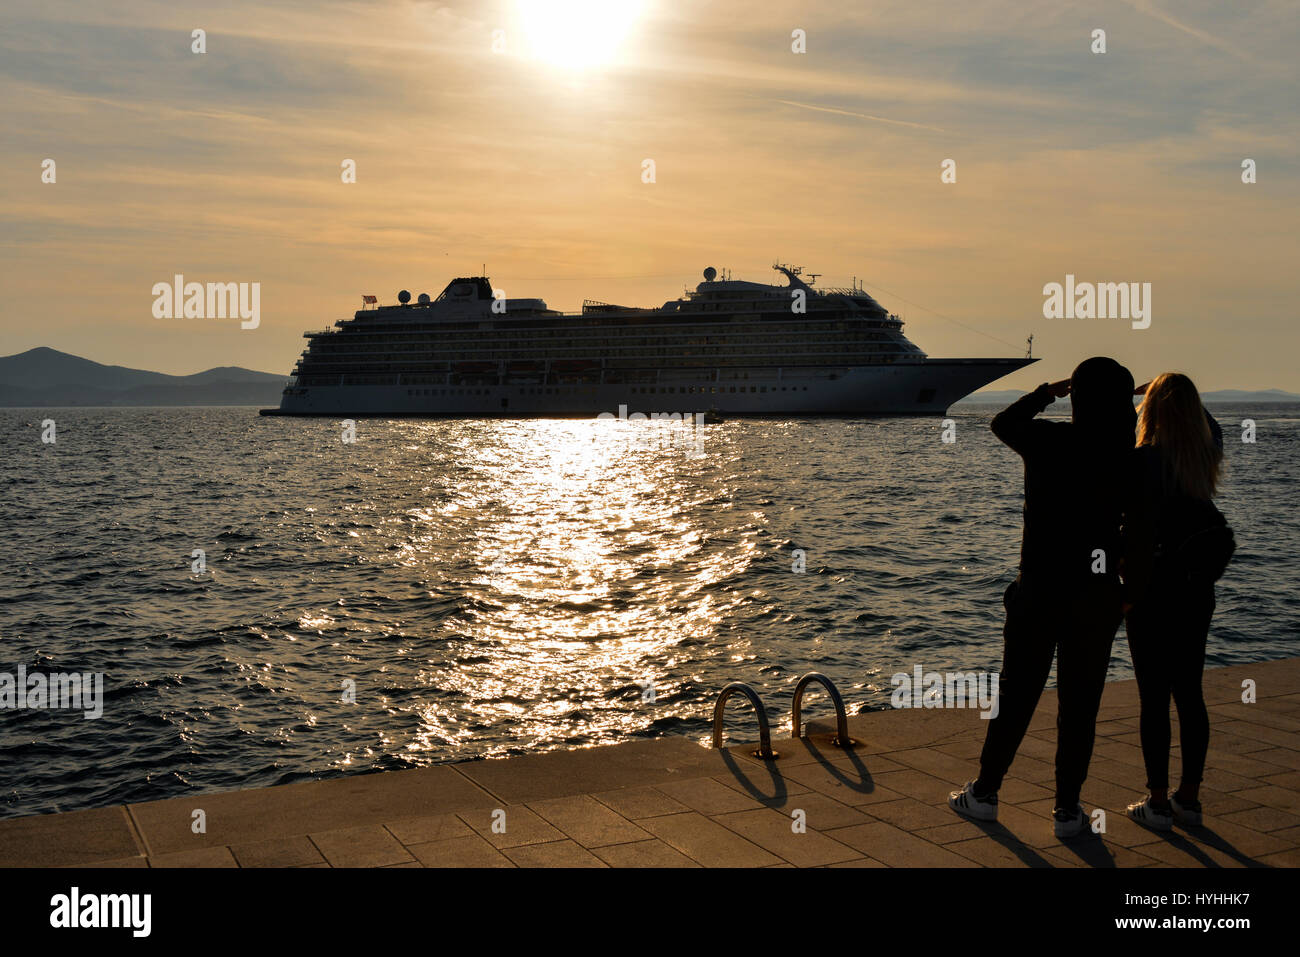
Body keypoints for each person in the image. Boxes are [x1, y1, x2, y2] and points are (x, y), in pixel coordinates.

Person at [949, 357, 1136, 838]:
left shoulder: (1048, 441)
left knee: (1017, 694)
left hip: (1040, 589)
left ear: (1075, 396)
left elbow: (1002, 422)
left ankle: (986, 793)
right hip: (1096, 595)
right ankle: (1068, 810)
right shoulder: (1128, 452)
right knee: (1081, 703)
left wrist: (1046, 392)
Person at [1122, 373, 1228, 831]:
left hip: (1150, 590)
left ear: (1155, 412)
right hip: (1195, 592)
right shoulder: (1205, 454)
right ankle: (1190, 797)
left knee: (1153, 698)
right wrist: (1176, 392)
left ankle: (1158, 801)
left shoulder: (1142, 461)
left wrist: (1149, 395)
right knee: (1190, 694)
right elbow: (1212, 426)